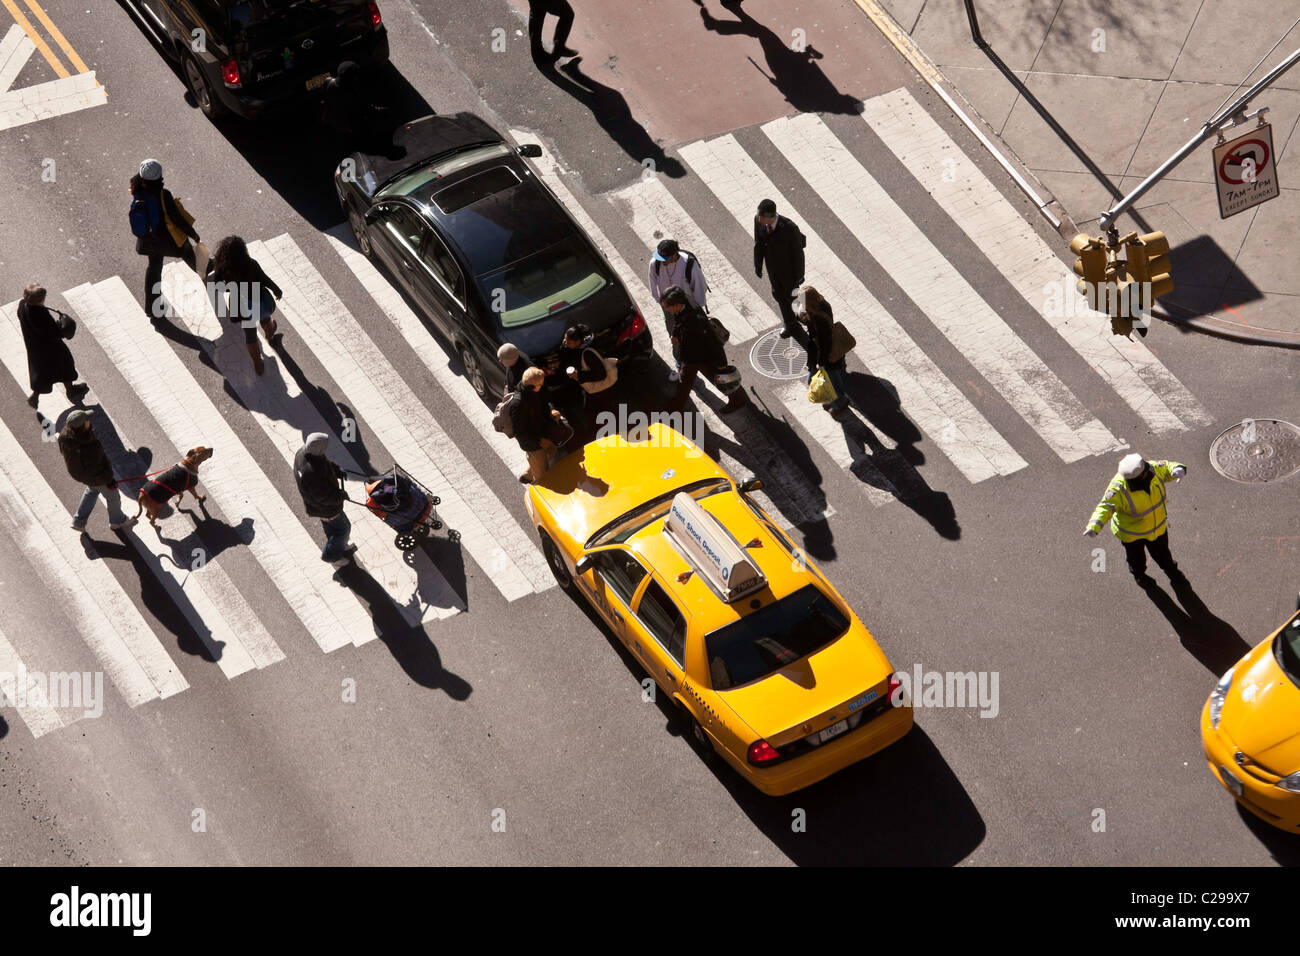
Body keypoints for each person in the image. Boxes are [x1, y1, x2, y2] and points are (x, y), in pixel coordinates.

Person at [1084, 453, 1188, 586]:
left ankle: (1173, 572)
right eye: (1145, 471)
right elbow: (1105, 507)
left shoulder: (1151, 469)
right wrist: (1094, 525)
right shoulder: (1118, 488)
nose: (1149, 469)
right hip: (1132, 536)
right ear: (1137, 478)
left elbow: (1166, 467)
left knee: (1164, 556)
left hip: (1157, 529)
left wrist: (1177, 468)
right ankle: (1140, 576)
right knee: (1136, 560)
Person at [131, 158, 202, 321]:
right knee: (187, 251)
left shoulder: (138, 190)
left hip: (148, 241)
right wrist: (193, 234)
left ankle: (151, 307)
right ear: (159, 176)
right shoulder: (163, 194)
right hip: (165, 239)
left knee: (154, 269)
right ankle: (209, 268)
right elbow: (176, 218)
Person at [207, 236, 282, 376]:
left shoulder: (223, 269)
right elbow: (264, 279)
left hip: (241, 305)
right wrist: (276, 289)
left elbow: (219, 288)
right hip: (258, 299)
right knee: (265, 317)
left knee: (250, 335)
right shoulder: (251, 263)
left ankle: (257, 363)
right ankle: (270, 332)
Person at [663, 286, 745, 414]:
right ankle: (676, 406)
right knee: (687, 381)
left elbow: (713, 343)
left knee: (714, 378)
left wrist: (722, 364)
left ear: (677, 304)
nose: (666, 309)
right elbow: (678, 320)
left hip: (701, 357)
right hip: (692, 356)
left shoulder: (696, 320)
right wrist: (675, 334)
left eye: (668, 306)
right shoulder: (684, 305)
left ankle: (737, 400)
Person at [59, 409, 135, 533]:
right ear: (82, 427)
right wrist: (108, 479)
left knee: (92, 490)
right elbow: (96, 468)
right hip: (97, 476)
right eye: (86, 421)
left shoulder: (65, 435)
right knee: (113, 496)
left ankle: (78, 522)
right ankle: (118, 521)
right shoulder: (88, 446)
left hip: (79, 473)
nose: (89, 421)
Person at [647, 239, 710, 382]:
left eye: (665, 259)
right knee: (674, 337)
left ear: (675, 255)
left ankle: (698, 361)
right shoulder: (655, 263)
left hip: (689, 309)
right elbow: (653, 284)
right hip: (669, 309)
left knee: (693, 336)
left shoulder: (689, 264)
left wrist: (697, 311)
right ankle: (679, 362)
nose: (662, 262)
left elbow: (699, 287)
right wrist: (663, 304)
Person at [17, 284, 88, 409]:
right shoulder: (39, 314)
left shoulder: (22, 305)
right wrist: (61, 326)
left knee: (42, 373)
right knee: (65, 366)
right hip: (50, 348)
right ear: (39, 299)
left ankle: (35, 396)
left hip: (35, 347)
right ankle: (71, 391)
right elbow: (51, 333)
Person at [753, 198, 808, 352]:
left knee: (795, 297)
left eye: (762, 216)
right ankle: (789, 324)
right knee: (779, 296)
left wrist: (799, 275)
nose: (758, 219)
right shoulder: (759, 222)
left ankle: (808, 321)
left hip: (789, 272)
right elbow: (758, 243)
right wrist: (758, 265)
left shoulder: (789, 228)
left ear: (771, 216)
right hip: (773, 270)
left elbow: (798, 253)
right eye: (758, 215)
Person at [293, 433, 357, 564]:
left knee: (332, 527)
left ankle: (337, 545)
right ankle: (331, 556)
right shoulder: (311, 473)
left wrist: (336, 470)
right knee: (343, 528)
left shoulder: (304, 452)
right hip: (326, 508)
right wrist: (341, 496)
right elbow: (323, 497)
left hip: (318, 507)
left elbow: (324, 463)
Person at [799, 285, 850, 415]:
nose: (800, 304)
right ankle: (834, 399)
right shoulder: (822, 304)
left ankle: (840, 403)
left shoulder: (816, 318)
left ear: (808, 303)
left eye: (802, 302)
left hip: (826, 354)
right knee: (833, 374)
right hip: (830, 350)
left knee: (825, 379)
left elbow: (823, 343)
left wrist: (821, 362)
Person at [320, 61, 392, 153]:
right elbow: (368, 109)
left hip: (333, 120)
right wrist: (385, 111)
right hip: (349, 125)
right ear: (352, 78)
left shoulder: (328, 81)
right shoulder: (352, 95)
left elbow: (325, 98)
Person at [511, 367, 566, 484]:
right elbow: (519, 431)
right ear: (530, 386)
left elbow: (546, 402)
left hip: (543, 433)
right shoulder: (518, 403)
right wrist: (538, 441)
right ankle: (538, 491)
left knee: (551, 451)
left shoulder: (537, 390)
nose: (542, 385)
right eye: (540, 384)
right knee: (543, 476)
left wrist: (551, 410)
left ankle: (528, 474)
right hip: (533, 444)